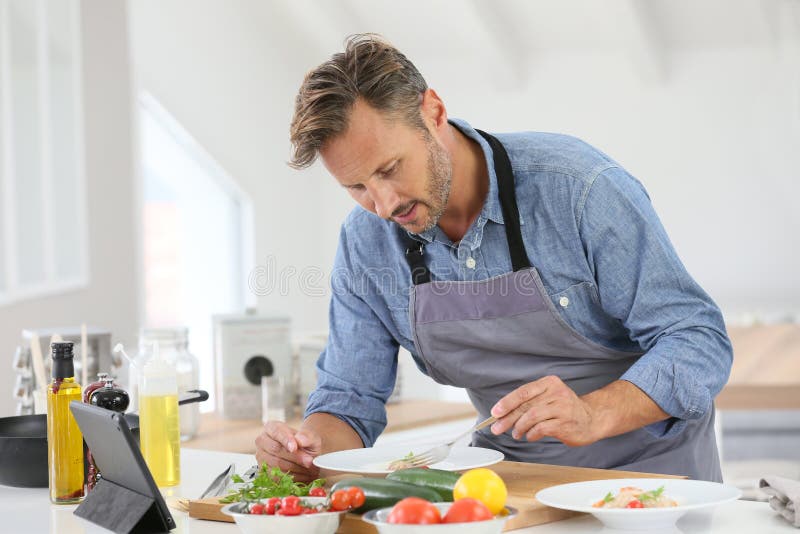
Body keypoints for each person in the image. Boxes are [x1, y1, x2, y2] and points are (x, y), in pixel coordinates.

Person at [255, 34, 732, 482]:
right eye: (356, 187)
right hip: (511, 491)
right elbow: (349, 399)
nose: (383, 205)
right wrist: (309, 448)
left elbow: (697, 341)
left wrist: (593, 413)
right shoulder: (367, 241)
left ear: (434, 112)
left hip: (654, 483)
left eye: (390, 169)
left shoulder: (578, 189)